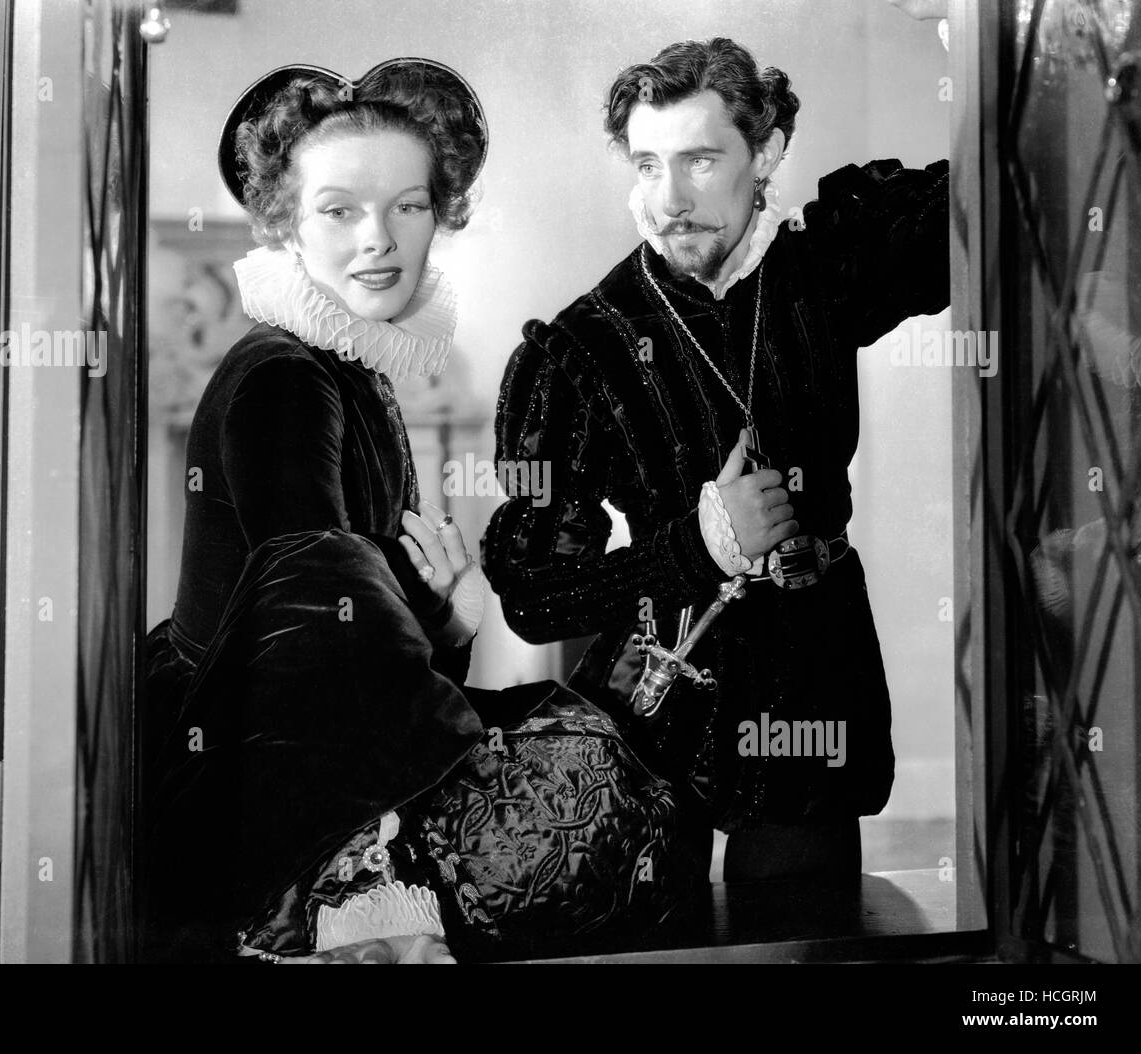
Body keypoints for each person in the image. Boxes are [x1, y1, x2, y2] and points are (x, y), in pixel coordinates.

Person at [140, 58, 688, 964]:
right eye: (340, 210)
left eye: (408, 205)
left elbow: (375, 626)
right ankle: (351, 888)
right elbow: (312, 607)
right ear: (286, 221)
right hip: (252, 774)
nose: (380, 240)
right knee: (575, 790)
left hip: (319, 726)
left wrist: (447, 611)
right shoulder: (284, 378)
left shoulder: (352, 367)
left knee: (598, 762)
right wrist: (374, 882)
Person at [481, 36, 950, 892]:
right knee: (662, 947)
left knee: (805, 938)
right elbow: (529, 591)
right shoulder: (582, 345)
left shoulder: (825, 270)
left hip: (809, 685)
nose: (671, 199)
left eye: (701, 160)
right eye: (649, 163)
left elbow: (982, 204)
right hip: (660, 705)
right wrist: (695, 547)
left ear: (764, 152)